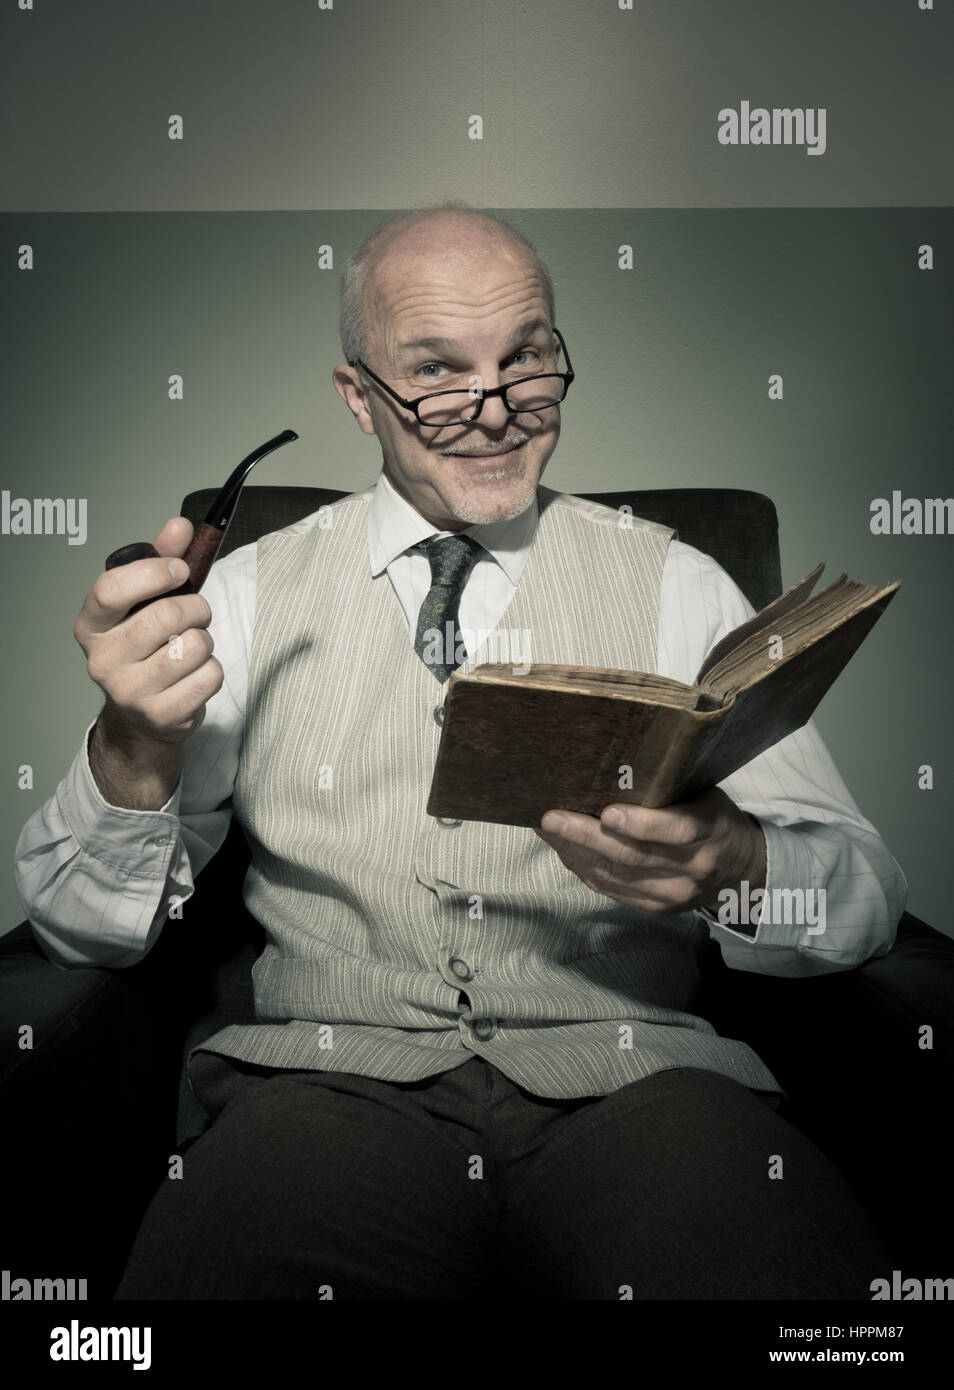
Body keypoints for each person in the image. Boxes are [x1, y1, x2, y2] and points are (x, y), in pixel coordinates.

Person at [15, 203, 906, 1301]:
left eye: (525, 357)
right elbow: (80, 931)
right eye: (436, 371)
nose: (493, 411)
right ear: (357, 396)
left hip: (643, 1085)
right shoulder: (242, 593)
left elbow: (862, 901)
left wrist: (739, 868)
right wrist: (133, 748)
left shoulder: (684, 585)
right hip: (321, 1089)